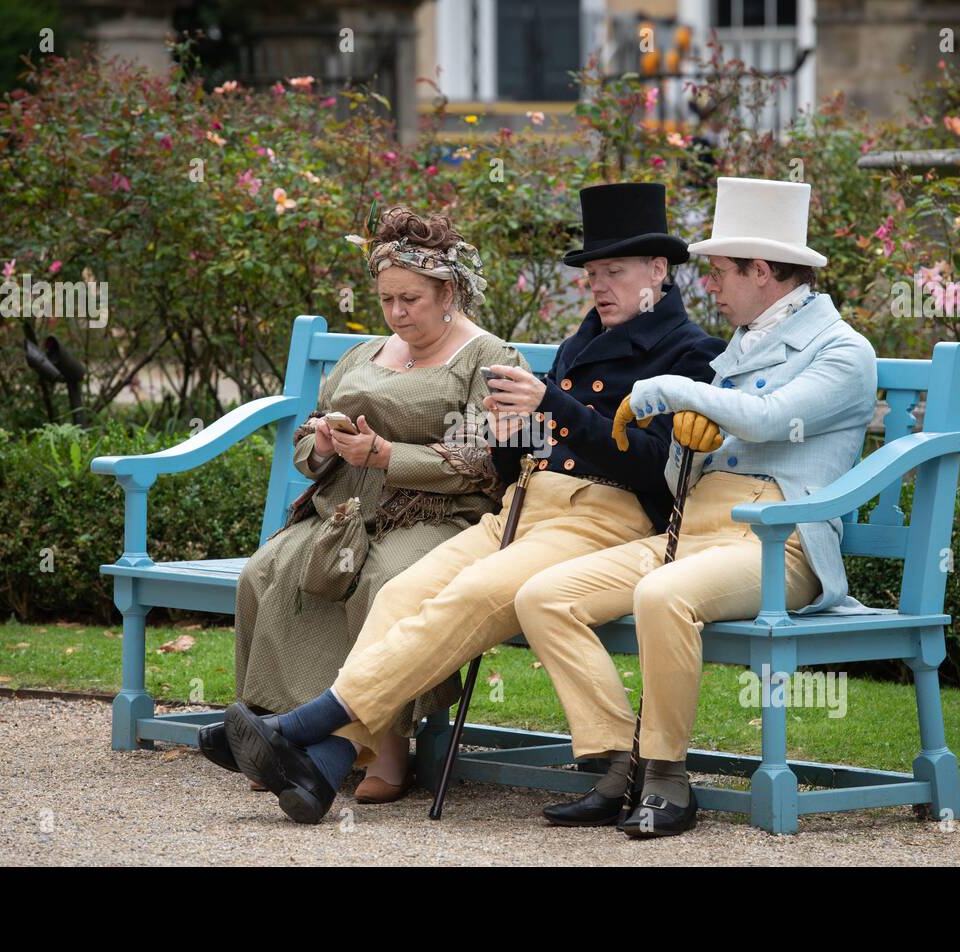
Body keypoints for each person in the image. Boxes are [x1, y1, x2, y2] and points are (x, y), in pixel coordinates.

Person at [219, 182, 727, 824]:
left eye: (614, 272)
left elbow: (658, 471)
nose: (599, 286)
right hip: (521, 507)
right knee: (403, 595)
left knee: (470, 594)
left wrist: (552, 409)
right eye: (593, 272)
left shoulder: (691, 355)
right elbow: (522, 452)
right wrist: (515, 437)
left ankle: (305, 730)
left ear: (658, 271)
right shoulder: (579, 344)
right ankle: (321, 767)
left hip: (602, 518)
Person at [518, 177, 879, 838]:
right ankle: (619, 759)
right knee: (542, 596)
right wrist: (686, 445)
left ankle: (667, 780)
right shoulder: (738, 349)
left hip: (779, 543)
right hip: (697, 530)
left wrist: (674, 393)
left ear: (762, 272)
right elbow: (687, 465)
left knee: (662, 595)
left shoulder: (843, 352)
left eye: (719, 273)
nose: (707, 286)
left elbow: (770, 418)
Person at [199, 205, 529, 804]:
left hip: (435, 513)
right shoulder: (363, 354)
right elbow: (304, 442)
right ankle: (275, 737)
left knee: (383, 582)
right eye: (387, 301)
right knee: (265, 572)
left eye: (411, 300)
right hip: (342, 508)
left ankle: (388, 749)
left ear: (448, 291)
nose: (398, 313)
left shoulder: (490, 358)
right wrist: (323, 444)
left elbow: (484, 461)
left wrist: (385, 455)